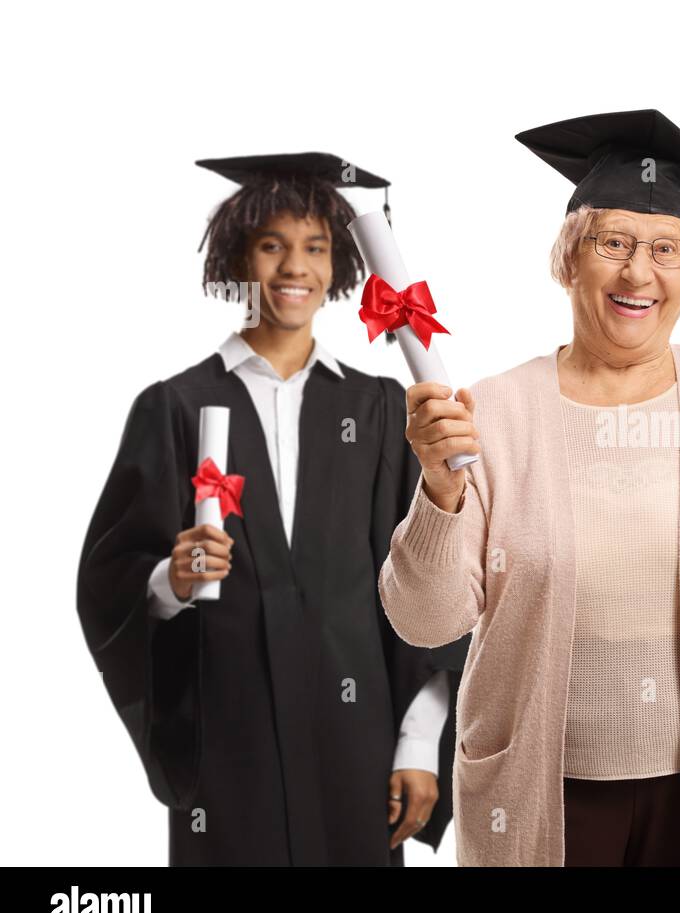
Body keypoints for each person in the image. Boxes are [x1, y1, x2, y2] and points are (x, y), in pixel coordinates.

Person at [379, 110, 680, 866]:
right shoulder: (495, 409)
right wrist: (439, 491)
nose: (639, 273)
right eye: (614, 244)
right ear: (571, 261)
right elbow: (428, 622)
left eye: (667, 250)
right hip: (544, 795)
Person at [76, 152, 469, 865]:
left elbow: (422, 580)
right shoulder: (175, 406)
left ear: (340, 264)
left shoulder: (377, 410)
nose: (296, 267)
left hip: (357, 742)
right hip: (228, 736)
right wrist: (173, 578)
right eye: (272, 246)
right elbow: (107, 581)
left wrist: (419, 744)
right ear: (237, 258)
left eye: (315, 247)